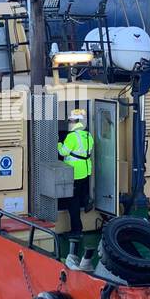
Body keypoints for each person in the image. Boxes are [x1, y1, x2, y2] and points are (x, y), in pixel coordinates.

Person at [57, 108, 95, 268]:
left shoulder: (72, 137)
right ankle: (87, 202)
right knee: (81, 194)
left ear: (75, 122)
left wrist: (58, 142)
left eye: (71, 121)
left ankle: (76, 230)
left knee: (72, 202)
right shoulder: (88, 135)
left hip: (74, 172)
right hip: (86, 170)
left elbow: (62, 151)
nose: (69, 123)